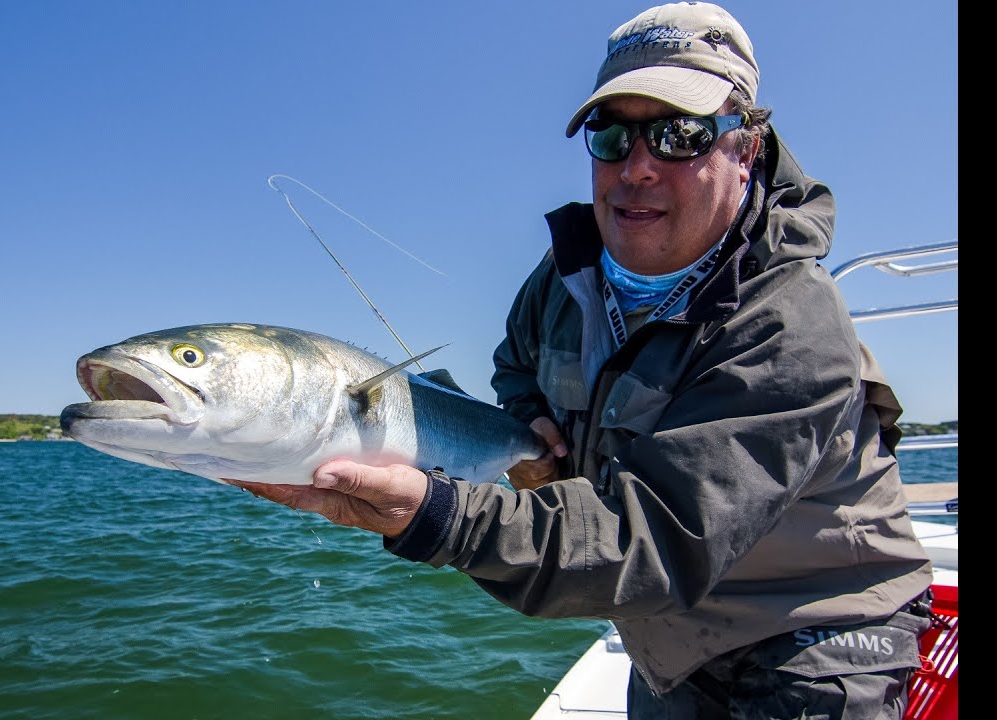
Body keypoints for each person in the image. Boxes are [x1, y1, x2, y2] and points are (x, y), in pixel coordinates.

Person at [233, 2, 935, 717]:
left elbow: (660, 538)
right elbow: (516, 363)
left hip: (816, 629)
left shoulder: (790, 319)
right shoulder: (564, 277)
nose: (637, 168)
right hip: (666, 632)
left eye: (678, 134)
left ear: (746, 147)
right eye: (611, 134)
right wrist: (532, 425)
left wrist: (437, 515)